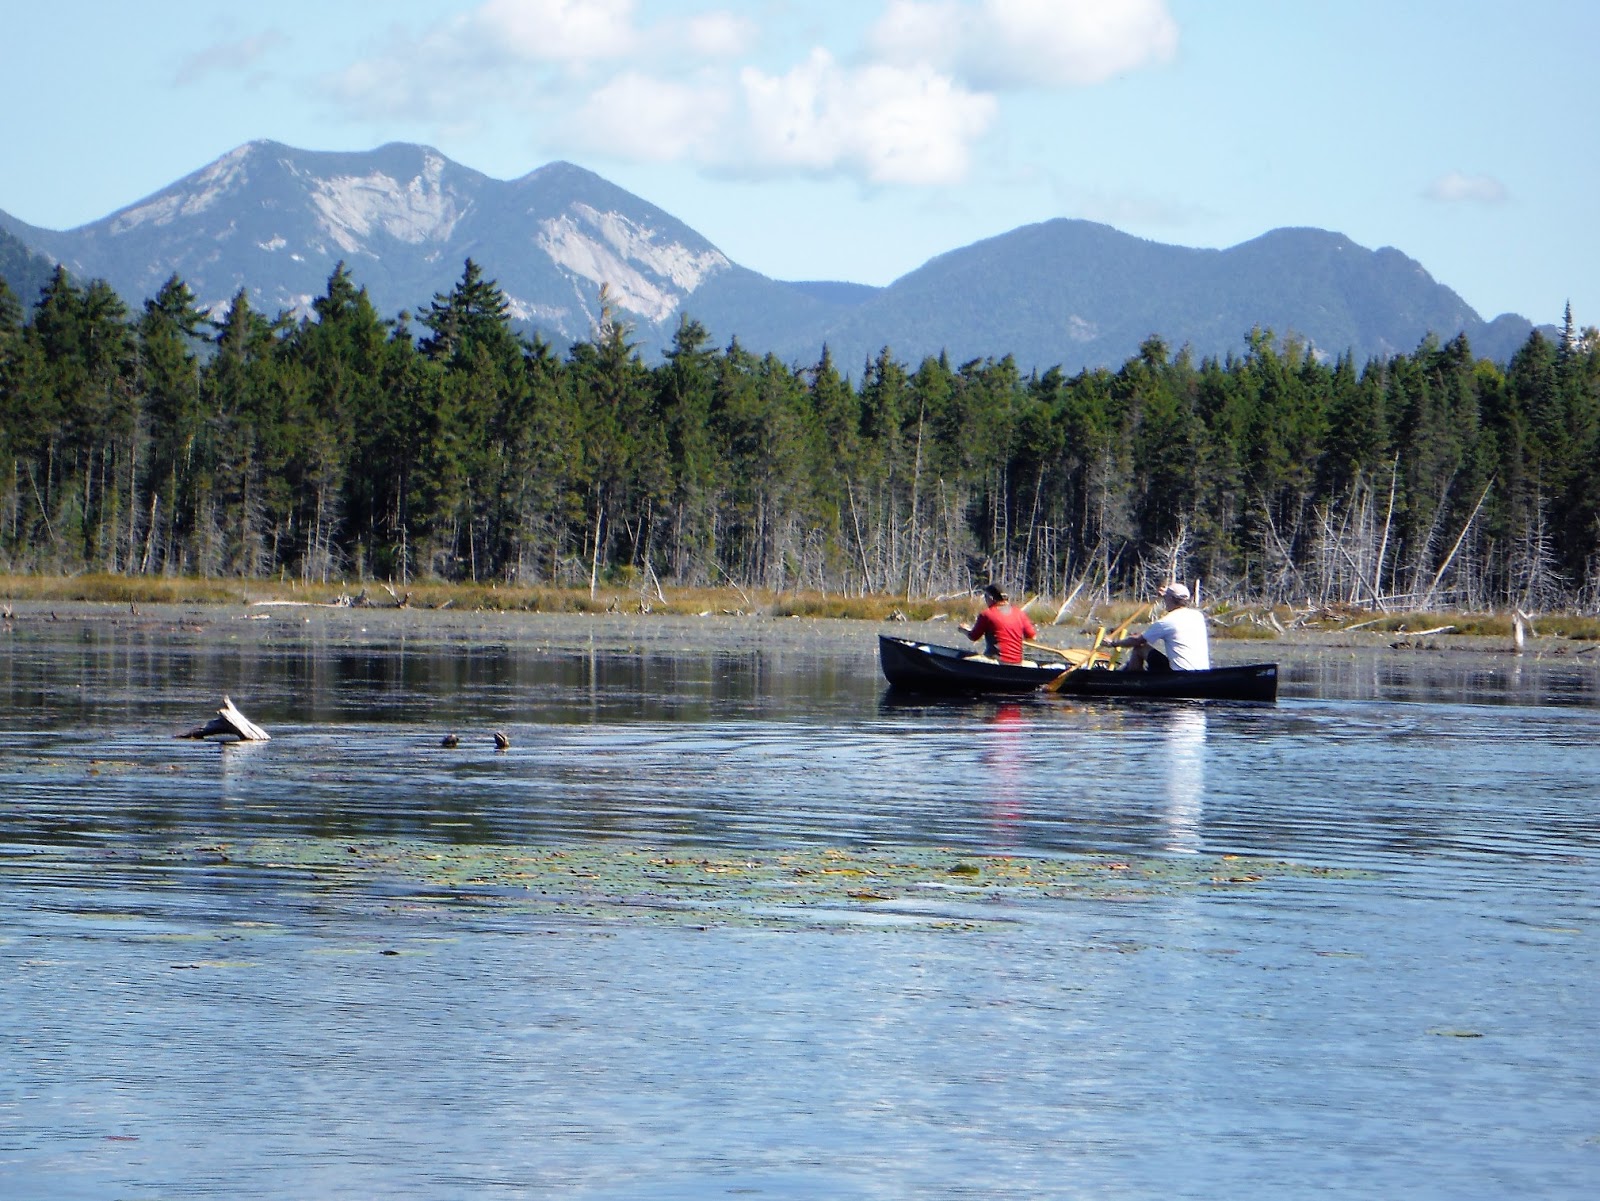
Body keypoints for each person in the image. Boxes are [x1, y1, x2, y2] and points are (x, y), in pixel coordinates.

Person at [1104, 582, 1210, 671]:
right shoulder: (1198, 616)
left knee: (1140, 648)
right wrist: (1167, 594)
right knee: (1141, 642)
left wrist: (1112, 643)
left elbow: (1138, 641)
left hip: (1179, 674)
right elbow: (1175, 597)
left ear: (1169, 598)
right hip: (1202, 671)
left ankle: (1133, 681)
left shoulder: (1167, 621)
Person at [960, 584, 1037, 664]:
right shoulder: (1020, 613)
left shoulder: (987, 614)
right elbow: (1032, 637)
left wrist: (963, 630)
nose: (985, 600)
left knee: (963, 661)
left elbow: (973, 636)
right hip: (1017, 663)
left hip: (996, 662)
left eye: (985, 597)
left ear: (991, 598)